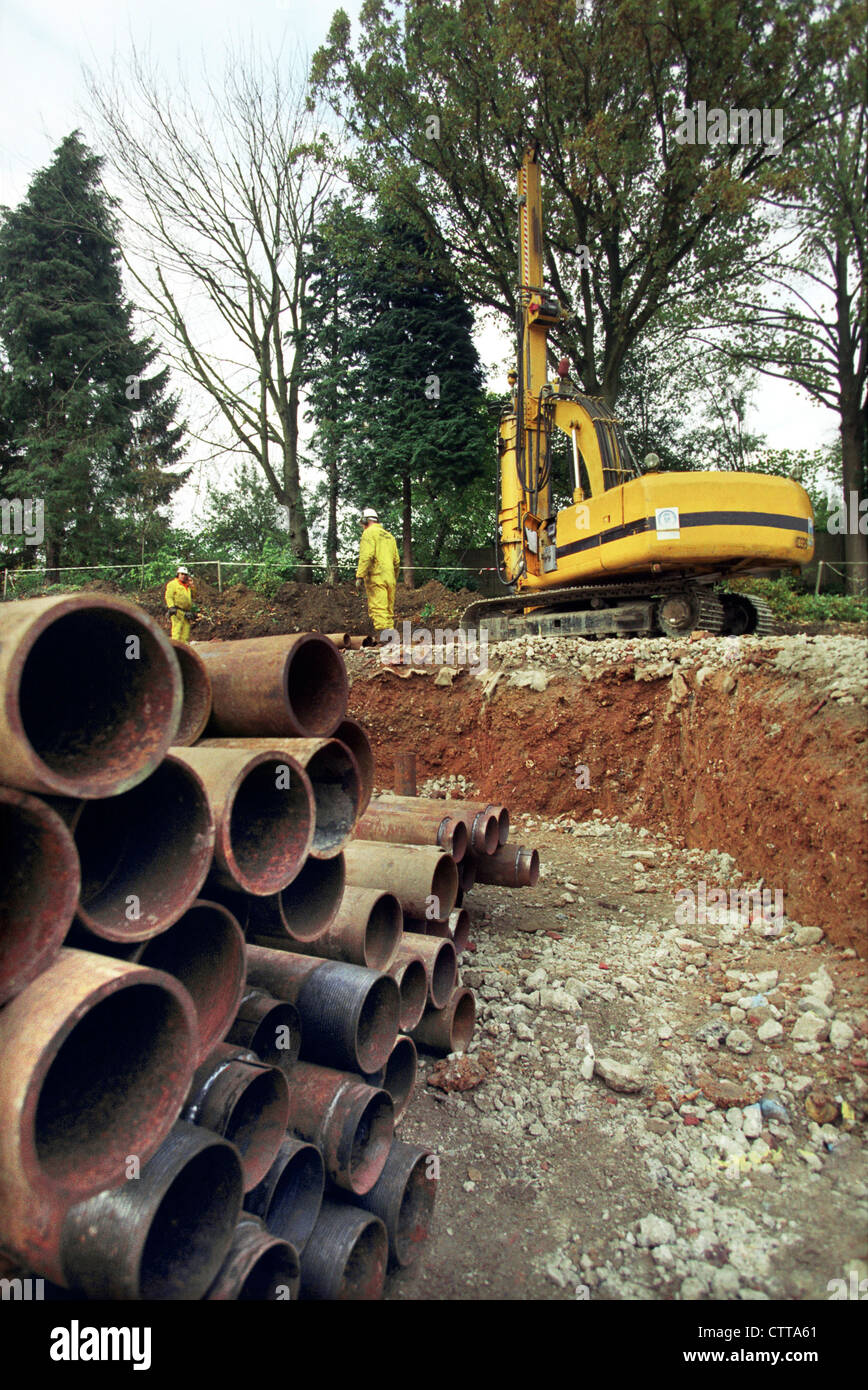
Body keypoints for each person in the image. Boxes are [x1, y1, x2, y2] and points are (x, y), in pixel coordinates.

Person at [355, 508, 400, 636]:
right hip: (390, 577)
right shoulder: (389, 536)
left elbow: (367, 556)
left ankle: (385, 638)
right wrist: (393, 577)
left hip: (376, 577)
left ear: (365, 521)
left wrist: (360, 575)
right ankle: (391, 639)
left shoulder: (369, 533)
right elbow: (396, 561)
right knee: (388, 610)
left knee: (379, 608)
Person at [164, 564, 197, 643]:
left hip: (186, 613)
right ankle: (176, 651)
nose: (183, 576)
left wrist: (192, 586)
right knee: (176, 633)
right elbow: (169, 596)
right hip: (177, 612)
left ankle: (183, 652)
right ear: (178, 574)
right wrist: (171, 607)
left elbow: (194, 596)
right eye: (182, 574)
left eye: (185, 575)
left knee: (185, 635)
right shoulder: (173, 584)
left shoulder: (187, 586)